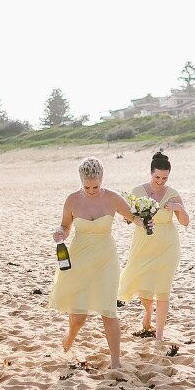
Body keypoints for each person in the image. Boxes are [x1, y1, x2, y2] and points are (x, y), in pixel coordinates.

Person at [50, 157, 144, 369]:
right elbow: (65, 227)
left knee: (108, 310)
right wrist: (60, 234)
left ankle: (116, 362)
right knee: (79, 317)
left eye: (96, 186)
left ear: (102, 179)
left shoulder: (113, 198)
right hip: (80, 258)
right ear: (81, 181)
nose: (92, 190)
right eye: (87, 186)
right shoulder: (72, 200)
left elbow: (134, 219)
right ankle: (69, 338)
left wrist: (146, 221)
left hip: (106, 260)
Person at [118, 151, 190, 341]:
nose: (160, 181)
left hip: (167, 247)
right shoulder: (137, 192)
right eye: (157, 177)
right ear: (151, 173)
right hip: (143, 246)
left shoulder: (172, 194)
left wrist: (179, 209)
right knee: (143, 286)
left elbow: (185, 222)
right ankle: (148, 313)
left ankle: (159, 335)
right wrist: (137, 219)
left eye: (164, 178)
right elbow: (127, 218)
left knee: (163, 289)